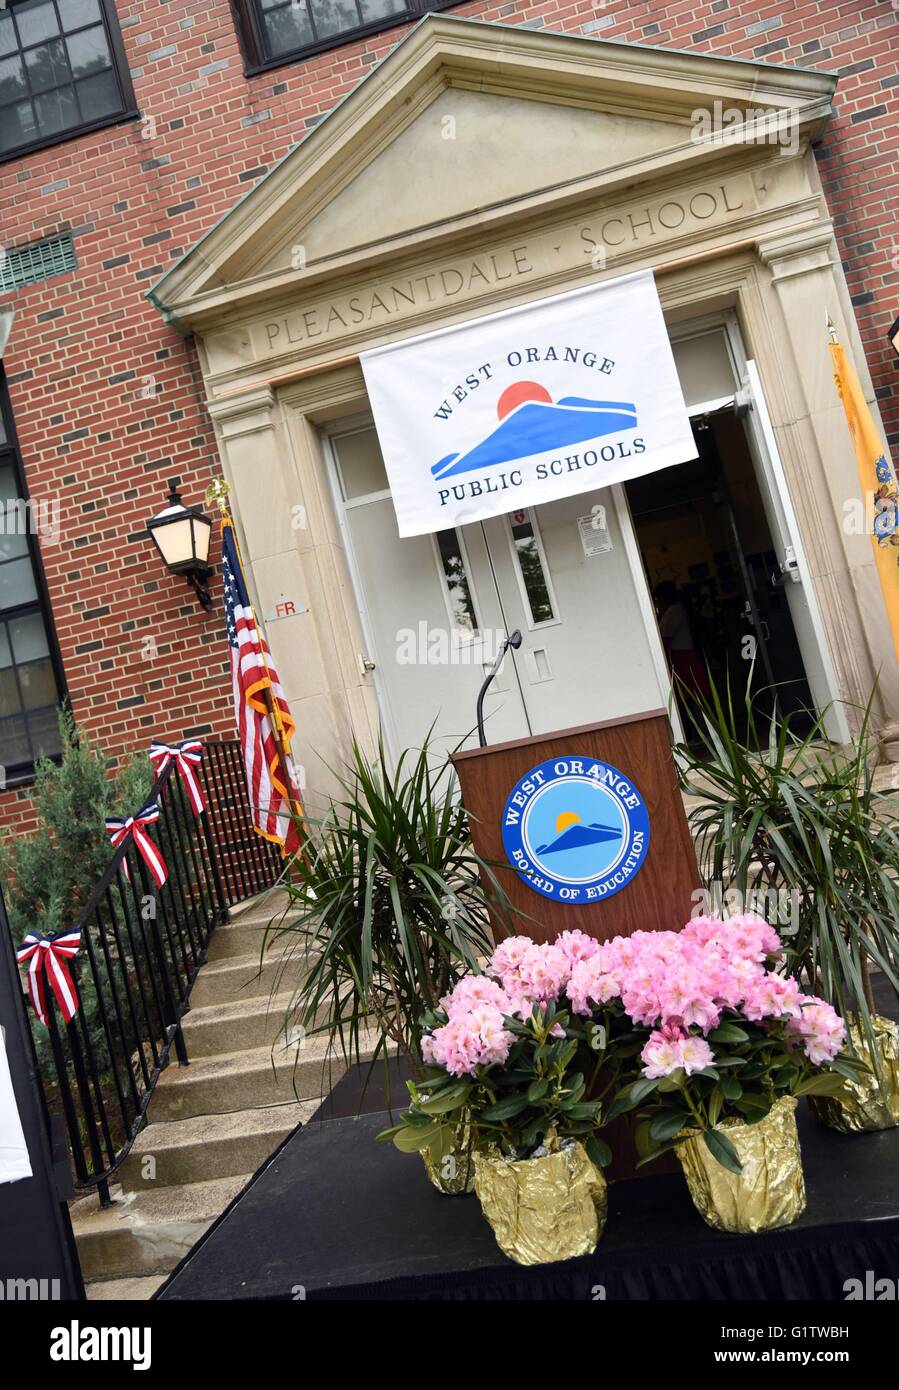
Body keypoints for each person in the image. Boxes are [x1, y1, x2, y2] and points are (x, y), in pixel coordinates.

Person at [653, 581, 710, 697]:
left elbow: (665, 639)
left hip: (683, 659)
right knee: (694, 695)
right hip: (683, 657)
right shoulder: (676, 610)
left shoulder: (673, 611)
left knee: (693, 695)